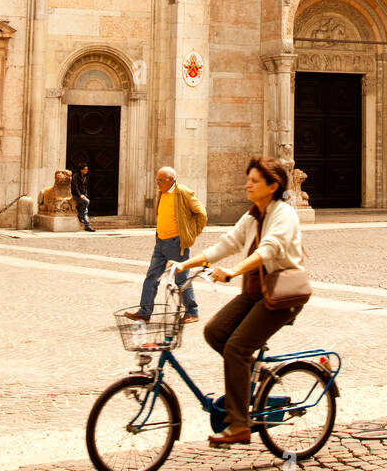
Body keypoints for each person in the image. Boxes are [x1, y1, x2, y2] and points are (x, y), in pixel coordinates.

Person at [179, 157, 308, 447]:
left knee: (237, 347)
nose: (247, 184)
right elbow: (227, 243)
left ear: (273, 186)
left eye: (254, 180)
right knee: (215, 332)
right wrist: (185, 264)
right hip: (255, 292)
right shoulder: (253, 215)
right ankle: (256, 373)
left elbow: (270, 248)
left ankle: (239, 425)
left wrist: (234, 271)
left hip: (280, 296)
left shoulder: (284, 214)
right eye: (248, 178)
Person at [124, 167, 206, 324]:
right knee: (152, 277)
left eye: (160, 180)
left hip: (177, 243)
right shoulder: (162, 193)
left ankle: (192, 311)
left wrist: (192, 234)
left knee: (182, 279)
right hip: (161, 242)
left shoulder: (182, 192)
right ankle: (144, 312)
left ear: (171, 180)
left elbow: (201, 213)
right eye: (157, 180)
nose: (157, 183)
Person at [71, 163, 94, 232]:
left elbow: (85, 187)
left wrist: (85, 195)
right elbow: (75, 187)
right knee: (87, 202)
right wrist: (79, 195)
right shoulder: (76, 176)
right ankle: (81, 216)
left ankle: (87, 226)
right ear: (81, 170)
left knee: (85, 211)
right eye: (85, 169)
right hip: (76, 196)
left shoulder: (84, 177)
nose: (87, 170)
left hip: (83, 196)